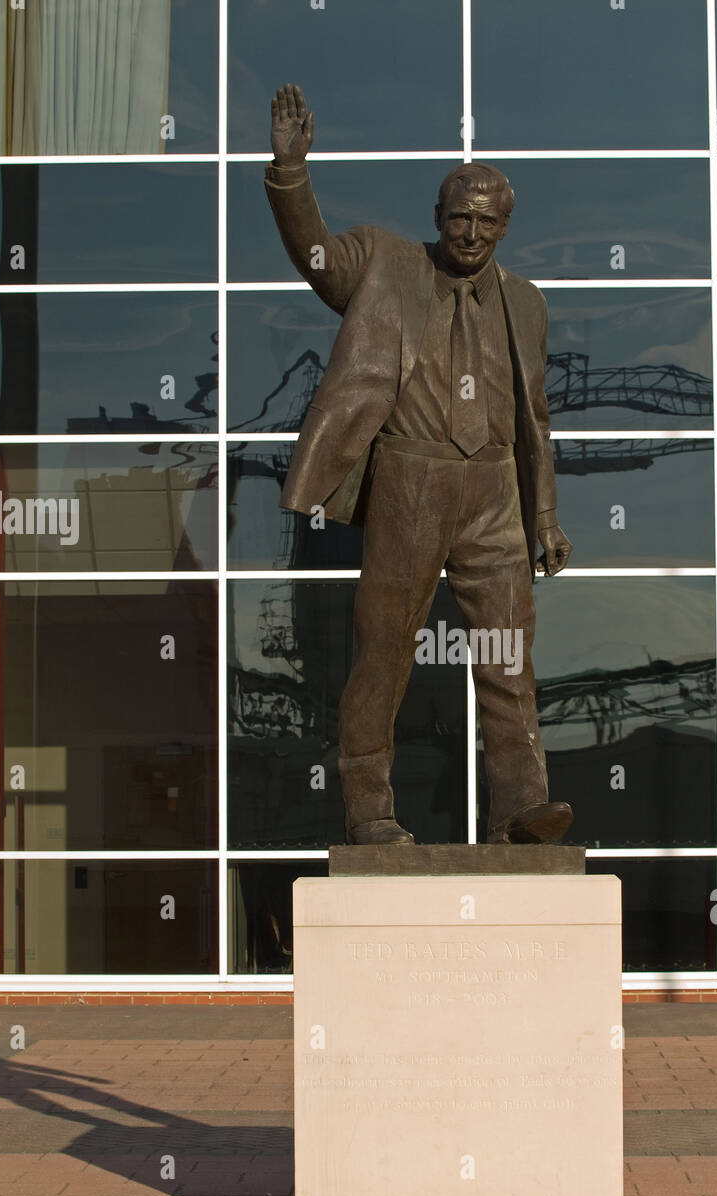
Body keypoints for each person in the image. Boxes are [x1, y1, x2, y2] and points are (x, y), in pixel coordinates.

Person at [266, 83, 573, 846]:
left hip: (495, 491)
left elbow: (533, 420)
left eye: (487, 222)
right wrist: (291, 175)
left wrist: (543, 514)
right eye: (460, 217)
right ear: (438, 216)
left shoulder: (526, 303)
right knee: (386, 649)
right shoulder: (385, 263)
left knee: (507, 655)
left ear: (505, 227)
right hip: (412, 479)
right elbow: (317, 258)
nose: (471, 233)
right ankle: (369, 809)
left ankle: (520, 809)